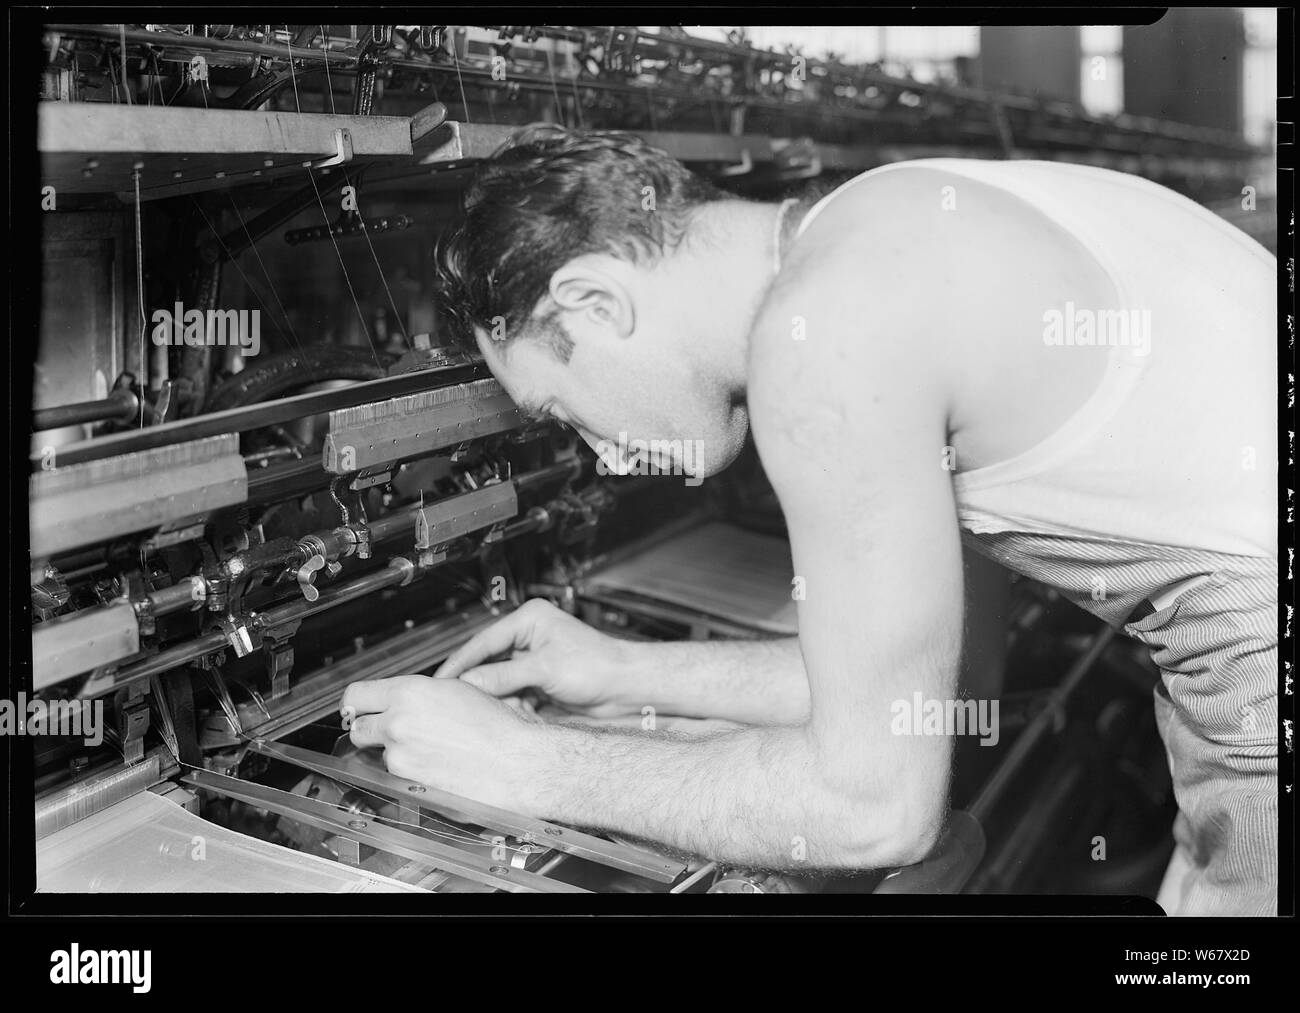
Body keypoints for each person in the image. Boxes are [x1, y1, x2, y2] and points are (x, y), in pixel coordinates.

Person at [340, 125, 1277, 914]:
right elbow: (944, 690)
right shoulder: (874, 226)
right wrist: (620, 669)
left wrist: (523, 763)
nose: (605, 454)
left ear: (594, 301)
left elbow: (876, 806)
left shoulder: (826, 339)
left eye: (564, 410)